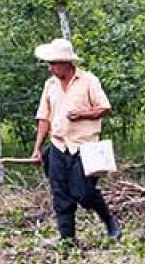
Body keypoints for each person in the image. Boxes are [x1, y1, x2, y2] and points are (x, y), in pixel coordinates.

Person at [31, 38, 121, 245]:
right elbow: (44, 118)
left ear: (67, 63)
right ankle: (67, 240)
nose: (50, 68)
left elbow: (104, 108)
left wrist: (83, 114)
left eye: (54, 63)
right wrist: (37, 148)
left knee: (84, 192)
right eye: (49, 64)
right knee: (60, 195)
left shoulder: (89, 81)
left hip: (84, 146)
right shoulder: (50, 85)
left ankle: (109, 221)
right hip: (58, 145)